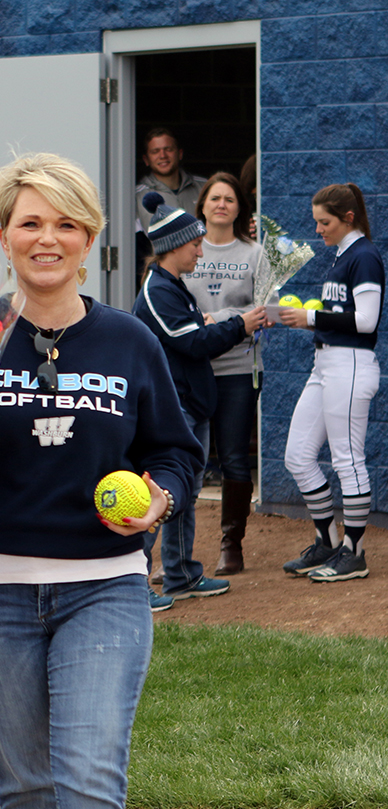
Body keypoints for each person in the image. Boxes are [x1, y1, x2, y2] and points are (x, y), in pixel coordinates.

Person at [0, 152, 202, 809]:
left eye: (66, 223)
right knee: (28, 788)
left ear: (89, 238)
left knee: (88, 786)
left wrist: (159, 501)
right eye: (30, 223)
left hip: (104, 587)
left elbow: (175, 449)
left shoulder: (129, 340)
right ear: (5, 237)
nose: (47, 238)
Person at [133, 192, 267, 605]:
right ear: (175, 247)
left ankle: (180, 575)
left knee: (184, 497)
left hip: (190, 405)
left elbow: (188, 332)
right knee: (159, 496)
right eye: (195, 244)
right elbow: (191, 343)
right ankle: (134, 583)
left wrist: (208, 321)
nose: (200, 250)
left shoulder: (174, 287)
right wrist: (239, 325)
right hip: (174, 409)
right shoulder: (158, 290)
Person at [280, 182, 384, 581]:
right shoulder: (343, 254)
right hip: (325, 363)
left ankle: (354, 554)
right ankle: (328, 541)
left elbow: (366, 321)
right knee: (297, 456)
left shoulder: (365, 256)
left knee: (347, 459)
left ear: (348, 218)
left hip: (351, 363)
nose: (318, 229)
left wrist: (310, 318)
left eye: (324, 222)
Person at [183, 172, 265, 575]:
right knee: (187, 459)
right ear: (202, 206)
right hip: (192, 368)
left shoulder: (254, 253)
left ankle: (232, 544)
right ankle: (181, 552)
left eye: (229, 199)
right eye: (214, 198)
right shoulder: (187, 250)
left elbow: (264, 309)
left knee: (233, 457)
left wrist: (219, 318)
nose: (221, 204)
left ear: (238, 207)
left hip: (237, 368)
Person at [134, 128, 207, 278]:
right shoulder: (136, 196)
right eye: (155, 151)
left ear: (179, 153)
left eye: (168, 149)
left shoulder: (204, 188)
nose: (163, 155)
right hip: (164, 275)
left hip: (205, 271)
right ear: (146, 159)